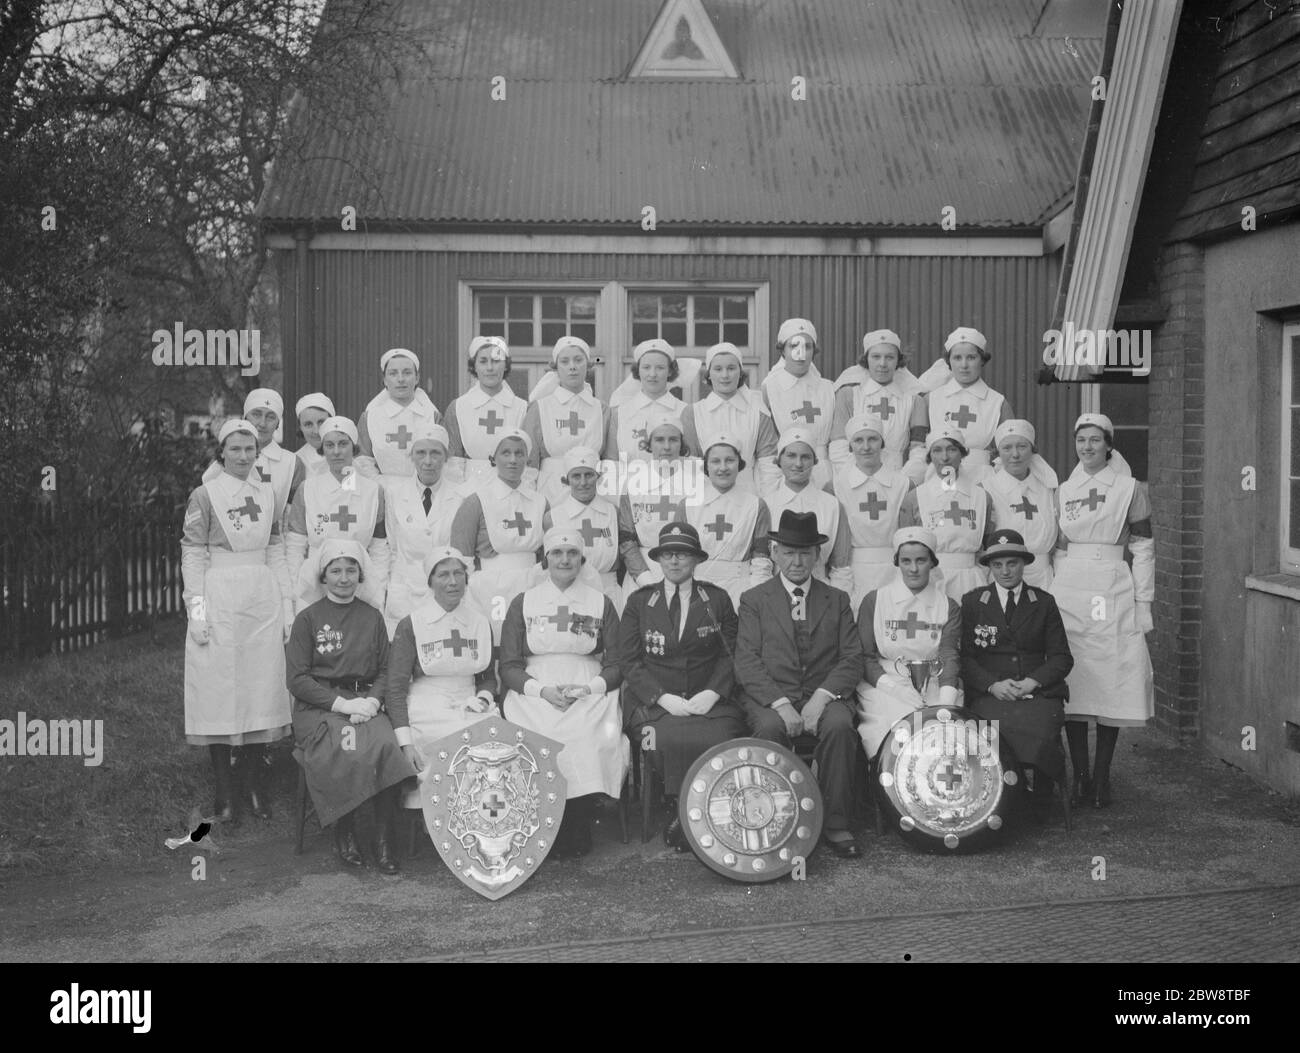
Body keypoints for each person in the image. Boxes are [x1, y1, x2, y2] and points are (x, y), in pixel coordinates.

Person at [733, 510, 865, 858]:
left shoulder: (836, 600)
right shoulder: (754, 600)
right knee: (769, 730)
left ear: (818, 556)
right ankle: (774, 821)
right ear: (774, 553)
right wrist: (780, 703)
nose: (797, 561)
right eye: (789, 552)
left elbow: (851, 658)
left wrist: (821, 699)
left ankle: (835, 823)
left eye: (805, 552)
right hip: (772, 698)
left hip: (823, 694)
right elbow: (746, 660)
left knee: (839, 725)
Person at [182, 419, 293, 823]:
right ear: (222, 452)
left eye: (250, 449)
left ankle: (251, 783)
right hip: (220, 597)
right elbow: (192, 554)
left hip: (261, 599)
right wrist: (197, 613)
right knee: (220, 692)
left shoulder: (268, 493)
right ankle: (225, 794)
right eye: (236, 449)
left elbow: (277, 549)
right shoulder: (205, 495)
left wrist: (287, 607)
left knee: (258, 691)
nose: (244, 456)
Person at [286, 539, 413, 874]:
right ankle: (346, 832)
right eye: (336, 570)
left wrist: (372, 699)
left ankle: (384, 838)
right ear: (323, 576)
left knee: (387, 744)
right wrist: (342, 704)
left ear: (360, 575)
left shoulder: (372, 617)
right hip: (321, 708)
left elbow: (387, 669)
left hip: (366, 702)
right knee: (348, 745)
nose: (344, 577)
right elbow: (297, 680)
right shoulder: (307, 619)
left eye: (351, 570)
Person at [501, 528, 627, 858]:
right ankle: (545, 824)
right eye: (557, 553)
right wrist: (540, 691)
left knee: (585, 732)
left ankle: (578, 822)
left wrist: (590, 687)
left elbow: (616, 663)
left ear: (582, 560)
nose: (565, 559)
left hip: (586, 682)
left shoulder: (600, 602)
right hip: (536, 685)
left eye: (572, 553)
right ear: (546, 559)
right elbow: (509, 665)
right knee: (538, 733)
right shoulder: (524, 602)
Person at [619, 522, 745, 848]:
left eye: (683, 555)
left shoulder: (716, 600)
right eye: (668, 555)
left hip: (709, 700)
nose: (675, 562)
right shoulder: (639, 602)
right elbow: (628, 661)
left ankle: (712, 810)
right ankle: (684, 811)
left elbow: (731, 654)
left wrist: (713, 692)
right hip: (654, 704)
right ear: (659, 560)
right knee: (663, 737)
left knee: (721, 736)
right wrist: (661, 698)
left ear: (696, 560)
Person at [1053, 413, 1154, 808]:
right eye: (1082, 441)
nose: (1088, 448)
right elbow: (1060, 547)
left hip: (1112, 583)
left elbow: (1144, 548)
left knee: (1110, 678)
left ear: (1109, 444)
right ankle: (1080, 775)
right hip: (1071, 586)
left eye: (1096, 440)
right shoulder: (1064, 489)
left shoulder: (1130, 488)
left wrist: (1144, 602)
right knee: (1074, 678)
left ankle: (1102, 777)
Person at [960, 531, 1074, 814]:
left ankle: (1042, 797)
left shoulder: (1043, 602)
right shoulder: (975, 602)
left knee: (1043, 726)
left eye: (1012, 563)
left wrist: (1032, 682)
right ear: (989, 567)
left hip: (1036, 692)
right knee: (986, 731)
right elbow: (966, 657)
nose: (1005, 571)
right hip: (993, 693)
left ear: (1024, 564)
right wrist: (991, 685)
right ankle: (1003, 794)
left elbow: (1061, 657)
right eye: (997, 565)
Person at [385, 546, 497, 810]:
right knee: (450, 738)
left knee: (493, 737)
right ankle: (443, 818)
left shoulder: (479, 622)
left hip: (470, 703)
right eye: (443, 574)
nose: (453, 581)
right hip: (427, 705)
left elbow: (487, 677)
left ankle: (478, 818)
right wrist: (405, 742)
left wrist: (483, 698)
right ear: (430, 582)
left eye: (459, 573)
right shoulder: (412, 624)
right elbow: (396, 688)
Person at [855, 527, 961, 759]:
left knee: (943, 733)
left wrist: (944, 703)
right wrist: (894, 689)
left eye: (921, 560)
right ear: (897, 563)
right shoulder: (876, 601)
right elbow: (865, 655)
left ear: (932, 563)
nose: (913, 569)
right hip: (884, 683)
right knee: (893, 733)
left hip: (933, 681)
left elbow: (949, 655)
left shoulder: (947, 605)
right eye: (906, 561)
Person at [284, 415, 391, 613]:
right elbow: (295, 547)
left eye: (343, 444)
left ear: (354, 447)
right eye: (329, 445)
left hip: (360, 583)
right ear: (322, 449)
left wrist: (379, 591)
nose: (336, 452)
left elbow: (379, 548)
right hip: (315, 586)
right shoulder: (307, 489)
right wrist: (295, 592)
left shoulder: (373, 491)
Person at [449, 428, 545, 642]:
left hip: (532, 583)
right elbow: (460, 556)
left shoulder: (540, 502)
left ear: (527, 459)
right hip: (490, 590)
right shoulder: (475, 501)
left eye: (519, 453)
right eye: (506, 453)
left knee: (529, 642)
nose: (513, 460)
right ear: (493, 458)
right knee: (496, 642)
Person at [382, 424, 463, 634]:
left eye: (435, 453)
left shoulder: (461, 497)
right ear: (412, 456)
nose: (428, 461)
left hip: (443, 591)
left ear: (446, 457)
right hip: (404, 591)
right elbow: (391, 547)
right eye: (421, 453)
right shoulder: (394, 494)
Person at [674, 436, 772, 608]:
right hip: (696, 589)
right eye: (715, 461)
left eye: (730, 460)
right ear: (706, 466)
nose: (723, 468)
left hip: (741, 589)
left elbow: (761, 558)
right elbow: (679, 557)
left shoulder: (756, 505)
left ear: (739, 464)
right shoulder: (688, 505)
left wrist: (757, 598)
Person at [899, 428, 993, 601]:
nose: (945, 457)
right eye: (937, 450)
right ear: (929, 456)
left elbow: (986, 544)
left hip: (971, 579)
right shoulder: (915, 497)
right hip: (931, 579)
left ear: (963, 453)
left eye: (952, 449)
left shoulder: (982, 497)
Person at [832, 414, 914, 609]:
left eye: (873, 439)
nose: (866, 447)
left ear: (882, 443)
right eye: (859, 440)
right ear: (850, 446)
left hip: (894, 570)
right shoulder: (836, 486)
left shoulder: (904, 484)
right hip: (854, 571)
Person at [680, 342, 780, 495]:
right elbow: (690, 465)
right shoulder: (693, 413)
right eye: (718, 369)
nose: (725, 375)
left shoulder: (758, 414)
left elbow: (769, 467)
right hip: (706, 497)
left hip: (747, 497)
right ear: (708, 374)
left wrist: (768, 503)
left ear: (740, 372)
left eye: (731, 368)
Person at [828, 329, 928, 482]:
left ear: (898, 361)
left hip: (897, 477)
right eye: (876, 357)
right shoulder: (848, 395)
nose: (882, 364)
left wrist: (902, 483)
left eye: (889, 357)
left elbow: (919, 450)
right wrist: (858, 478)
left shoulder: (914, 401)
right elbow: (838, 447)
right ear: (866, 359)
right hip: (854, 478)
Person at [765, 428, 854, 594]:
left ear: (815, 461)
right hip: (777, 596)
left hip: (820, 595)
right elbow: (762, 565)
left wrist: (836, 605)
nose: (798, 464)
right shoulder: (766, 505)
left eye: (805, 457)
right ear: (779, 460)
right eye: (791, 455)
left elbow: (840, 568)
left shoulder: (832, 505)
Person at [617, 414, 697, 597]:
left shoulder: (698, 483)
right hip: (643, 574)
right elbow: (626, 539)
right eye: (659, 440)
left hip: (687, 574)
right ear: (649, 444)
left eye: (673, 440)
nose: (666, 447)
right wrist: (645, 580)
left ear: (682, 444)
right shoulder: (632, 484)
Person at [202, 388, 305, 528]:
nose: (262, 423)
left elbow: (298, 514)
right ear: (245, 418)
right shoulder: (227, 457)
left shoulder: (292, 463)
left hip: (274, 543)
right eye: (256, 414)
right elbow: (209, 503)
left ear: (278, 424)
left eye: (270, 417)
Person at [524, 335, 607, 505]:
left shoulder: (603, 409)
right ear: (556, 367)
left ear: (588, 364)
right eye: (565, 361)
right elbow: (529, 464)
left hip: (591, 492)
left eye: (578, 360)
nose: (572, 367)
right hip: (550, 492)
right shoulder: (540, 408)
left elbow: (609, 461)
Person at [443, 335, 529, 493]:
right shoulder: (458, 407)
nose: (490, 368)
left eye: (496, 361)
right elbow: (453, 463)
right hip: (469, 490)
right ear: (473, 366)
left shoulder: (522, 408)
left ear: (505, 365)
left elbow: (527, 461)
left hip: (510, 489)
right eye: (483, 361)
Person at [761, 318, 836, 492]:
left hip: (823, 472)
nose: (800, 353)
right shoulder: (770, 389)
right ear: (783, 351)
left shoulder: (828, 389)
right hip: (785, 473)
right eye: (793, 346)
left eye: (807, 347)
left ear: (814, 351)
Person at [543, 447, 623, 611]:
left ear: (598, 477)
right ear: (566, 480)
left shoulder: (613, 512)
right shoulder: (553, 517)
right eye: (576, 476)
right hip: (570, 591)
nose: (583, 482)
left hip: (609, 589)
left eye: (589, 475)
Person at [985, 420, 1059, 589]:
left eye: (1022, 446)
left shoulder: (1048, 489)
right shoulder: (987, 489)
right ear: (998, 452)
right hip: (1003, 578)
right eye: (1007, 448)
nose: (1015, 454)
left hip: (1043, 578)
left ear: (1032, 449)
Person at [926, 327, 1012, 473]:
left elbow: (1009, 449)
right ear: (949, 361)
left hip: (981, 477)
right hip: (941, 476)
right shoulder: (931, 399)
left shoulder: (998, 402)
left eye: (971, 358)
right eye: (957, 358)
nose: (964, 365)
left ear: (982, 360)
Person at [356, 347, 442, 484]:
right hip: (382, 492)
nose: (400, 379)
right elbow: (362, 462)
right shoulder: (370, 418)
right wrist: (381, 488)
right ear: (384, 379)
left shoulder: (433, 416)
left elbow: (441, 461)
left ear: (417, 378)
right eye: (393, 373)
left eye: (407, 373)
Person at [603, 339, 684, 471]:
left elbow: (689, 460)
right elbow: (612, 463)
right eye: (646, 367)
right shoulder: (618, 413)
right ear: (637, 370)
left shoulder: (684, 411)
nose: (652, 374)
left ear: (670, 371)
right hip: (630, 489)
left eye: (660, 368)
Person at [293, 392, 336, 477]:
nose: (316, 431)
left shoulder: (351, 457)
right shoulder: (294, 463)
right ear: (301, 427)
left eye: (321, 422)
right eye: (308, 424)